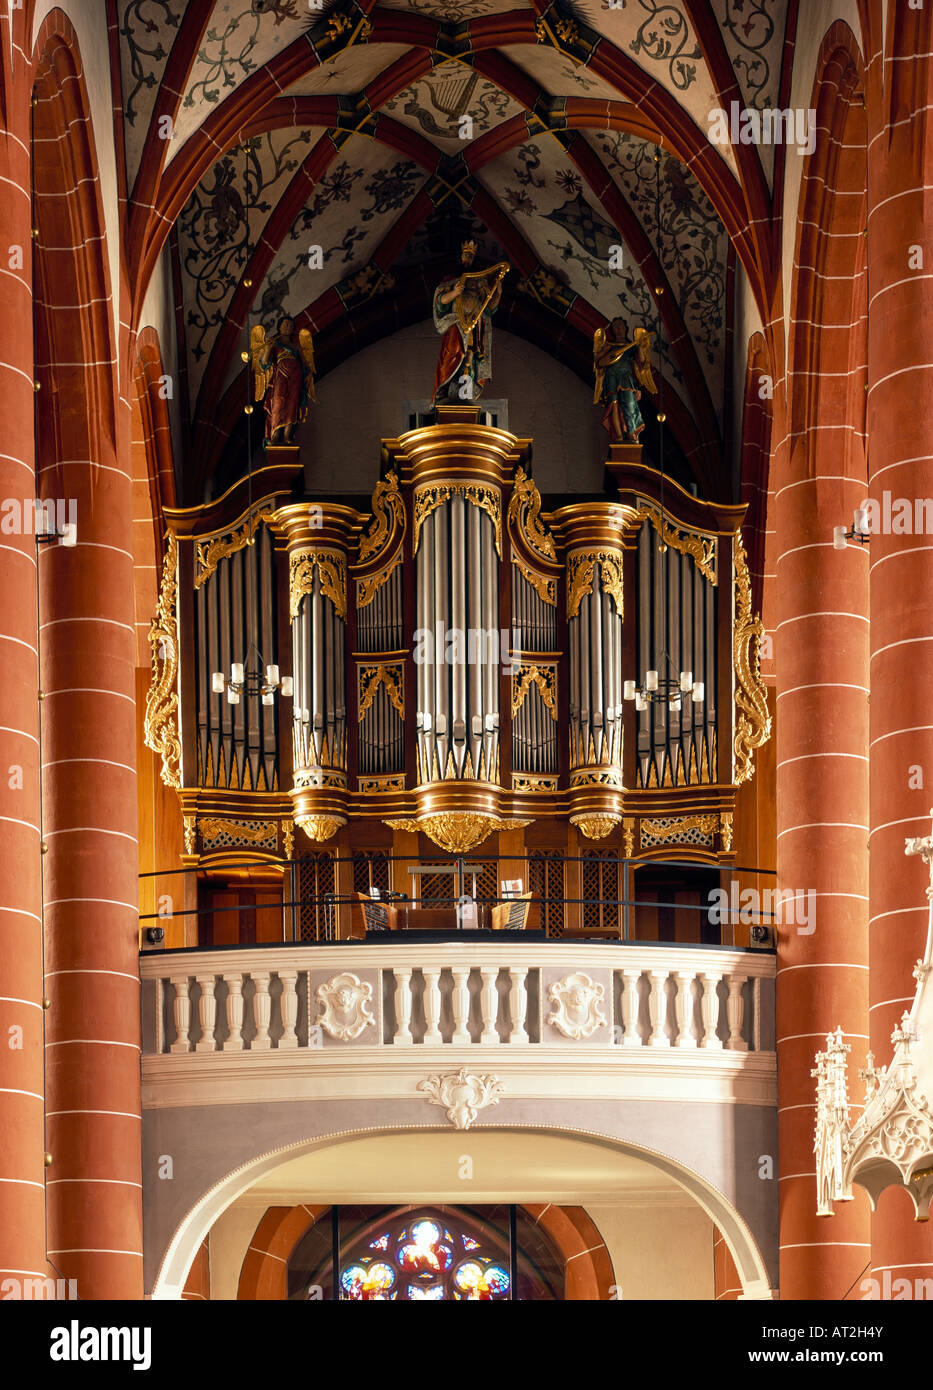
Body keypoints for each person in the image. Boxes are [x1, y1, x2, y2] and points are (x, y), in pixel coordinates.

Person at [433, 240, 507, 403]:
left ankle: (464, 393)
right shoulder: (451, 279)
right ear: (460, 257)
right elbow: (440, 301)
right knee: (453, 354)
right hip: (457, 325)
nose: (468, 259)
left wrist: (498, 293)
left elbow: (488, 309)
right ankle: (446, 388)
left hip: (475, 325)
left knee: (470, 358)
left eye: (471, 257)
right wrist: (454, 292)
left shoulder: (480, 283)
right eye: (466, 255)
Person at [250, 316, 316, 446]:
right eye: (285, 325)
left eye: (291, 326)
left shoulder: (296, 347)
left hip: (295, 376)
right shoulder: (275, 344)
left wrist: (308, 374)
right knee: (278, 403)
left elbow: (305, 364)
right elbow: (264, 364)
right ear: (279, 327)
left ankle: (287, 435)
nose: (288, 327)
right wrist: (268, 348)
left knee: (292, 404)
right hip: (280, 375)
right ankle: (275, 435)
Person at [593, 317, 657, 443]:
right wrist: (603, 352)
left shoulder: (630, 346)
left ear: (625, 328)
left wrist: (640, 347)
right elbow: (599, 364)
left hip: (626, 378)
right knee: (614, 406)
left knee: (629, 403)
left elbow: (642, 364)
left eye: (621, 325)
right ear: (612, 330)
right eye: (615, 326)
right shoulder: (609, 346)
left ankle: (631, 433)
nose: (618, 328)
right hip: (611, 378)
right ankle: (619, 436)